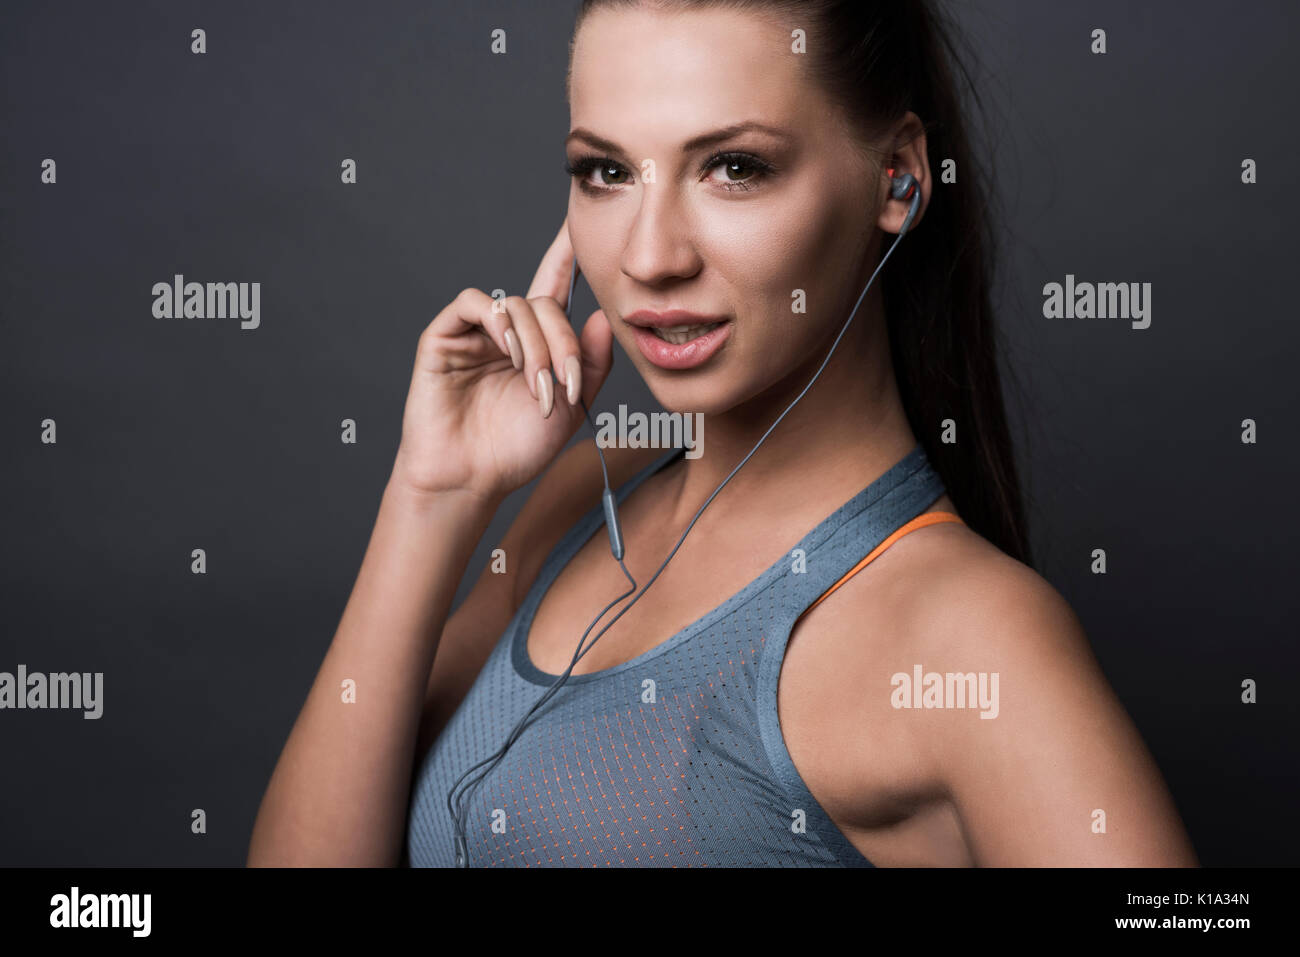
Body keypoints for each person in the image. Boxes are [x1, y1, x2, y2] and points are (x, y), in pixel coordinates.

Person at [248, 0, 1198, 867]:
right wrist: (434, 496)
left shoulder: (967, 636)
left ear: (898, 179)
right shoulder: (586, 496)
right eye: (607, 172)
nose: (651, 257)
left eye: (734, 168)